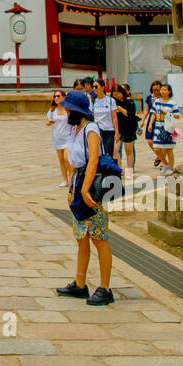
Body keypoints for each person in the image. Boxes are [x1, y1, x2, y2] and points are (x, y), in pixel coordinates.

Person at [55, 90, 115, 305]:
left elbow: (93, 161)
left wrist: (85, 190)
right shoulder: (75, 129)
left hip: (92, 185)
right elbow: (75, 164)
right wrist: (72, 190)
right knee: (81, 236)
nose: (67, 111)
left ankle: (105, 287)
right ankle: (80, 283)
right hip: (80, 182)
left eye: (69, 108)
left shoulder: (91, 129)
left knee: (99, 237)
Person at [147, 83, 179, 175]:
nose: (162, 91)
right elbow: (153, 113)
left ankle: (171, 168)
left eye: (165, 90)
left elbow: (177, 116)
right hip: (158, 127)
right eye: (161, 89)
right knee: (156, 148)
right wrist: (150, 124)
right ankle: (165, 163)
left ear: (169, 91)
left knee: (169, 149)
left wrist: (166, 113)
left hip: (168, 129)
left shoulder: (173, 103)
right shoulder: (157, 101)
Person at [45, 89, 70, 186]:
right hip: (57, 138)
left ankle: (72, 177)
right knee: (61, 161)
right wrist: (51, 122)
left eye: (58, 96)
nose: (56, 98)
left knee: (67, 158)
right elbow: (47, 122)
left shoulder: (68, 109)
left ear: (64, 97)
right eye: (55, 96)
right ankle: (65, 180)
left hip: (68, 138)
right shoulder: (52, 110)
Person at [113, 85, 139, 174]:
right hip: (118, 129)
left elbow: (131, 115)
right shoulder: (113, 103)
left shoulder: (130, 102)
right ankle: (119, 170)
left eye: (118, 94)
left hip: (129, 128)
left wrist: (121, 109)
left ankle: (129, 171)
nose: (117, 96)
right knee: (115, 150)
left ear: (122, 93)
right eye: (115, 95)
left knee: (129, 151)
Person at [91, 81, 118, 159]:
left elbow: (114, 117)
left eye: (96, 86)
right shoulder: (93, 101)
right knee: (98, 154)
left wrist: (116, 132)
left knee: (108, 154)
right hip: (97, 131)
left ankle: (110, 169)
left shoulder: (110, 100)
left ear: (103, 87)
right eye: (93, 87)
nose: (94, 89)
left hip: (109, 130)